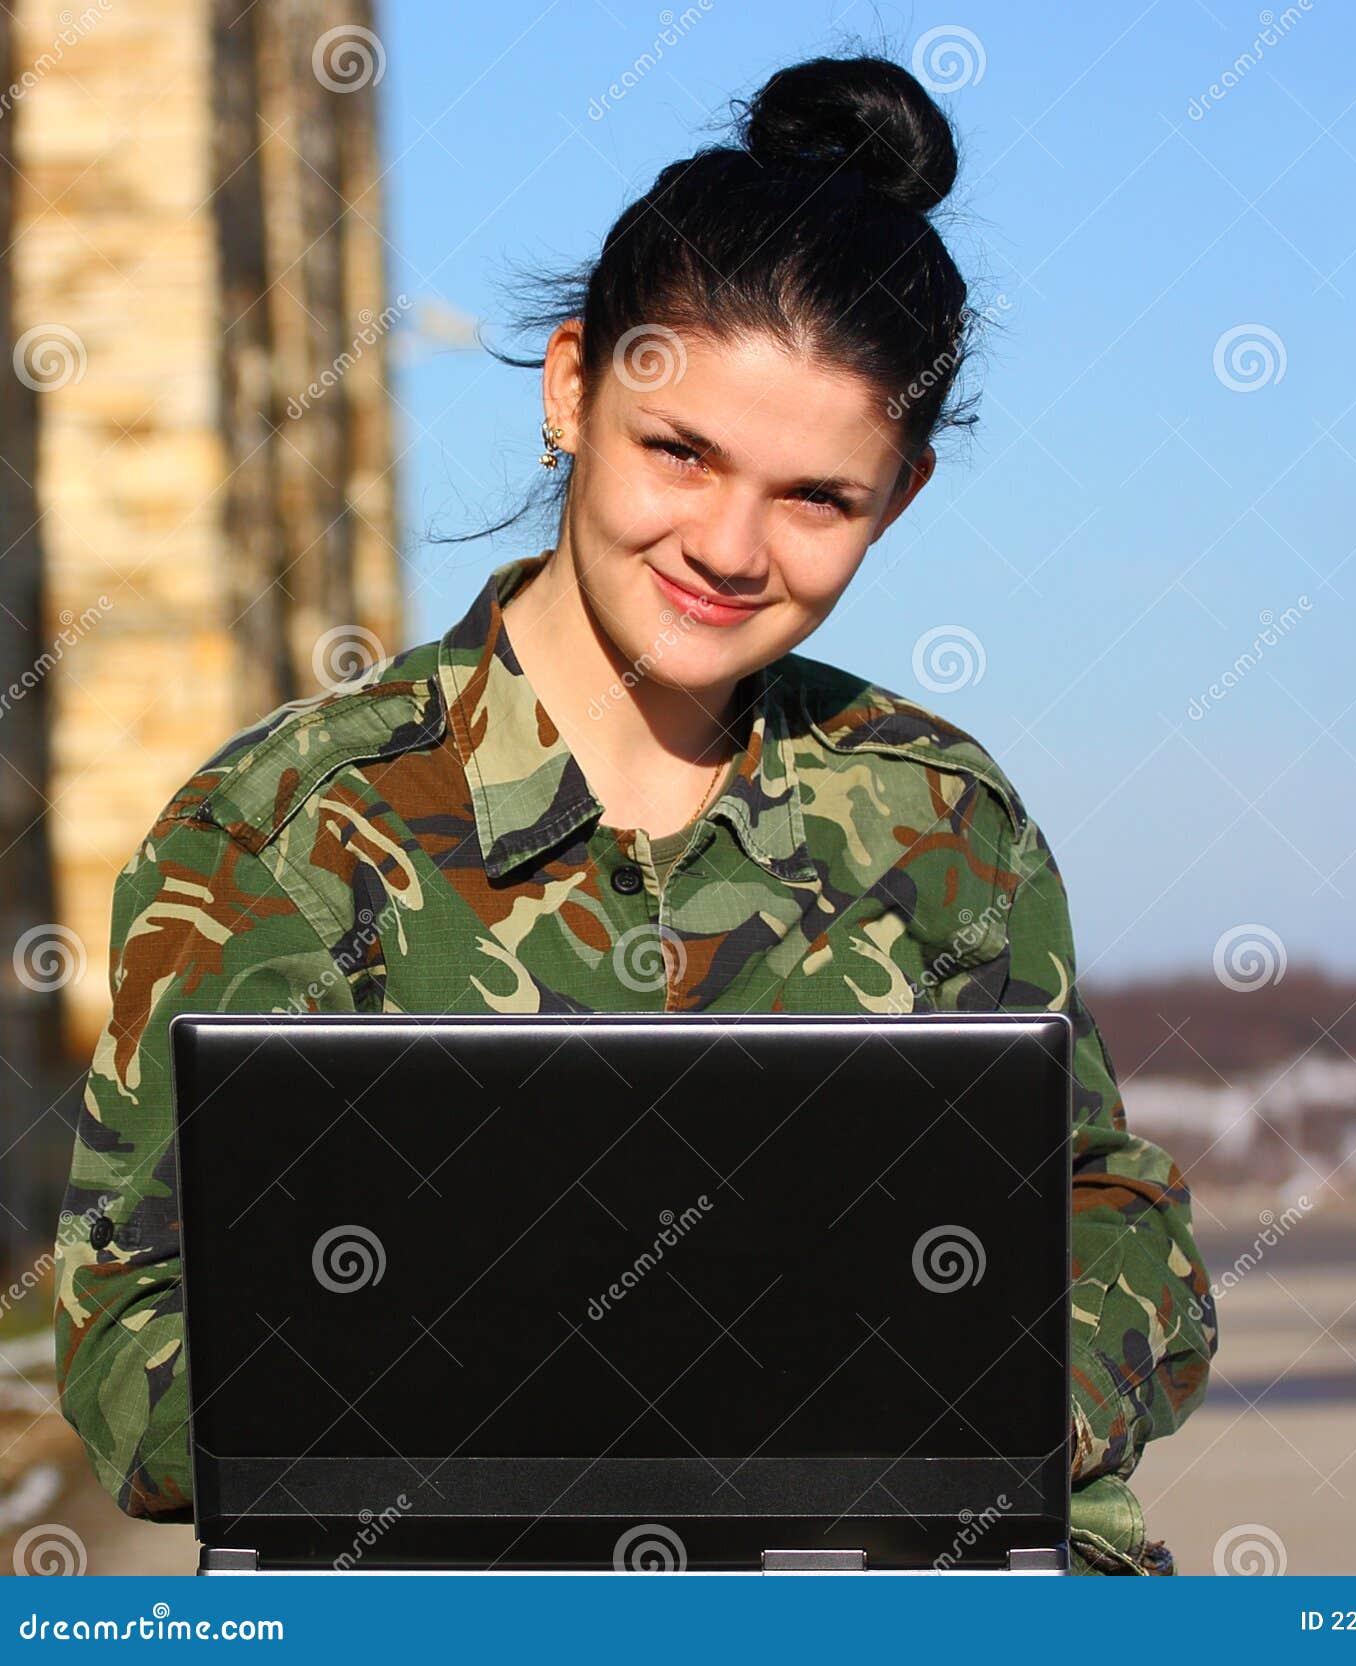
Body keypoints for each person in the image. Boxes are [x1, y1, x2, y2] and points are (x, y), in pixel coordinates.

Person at [52, 51, 1215, 1574]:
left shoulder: (939, 822)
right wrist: (512, 1424)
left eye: (818, 497)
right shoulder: (289, 828)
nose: (728, 546)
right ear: (570, 387)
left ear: (903, 496)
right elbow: (129, 1324)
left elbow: (1110, 1213)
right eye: (682, 452)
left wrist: (964, 1415)